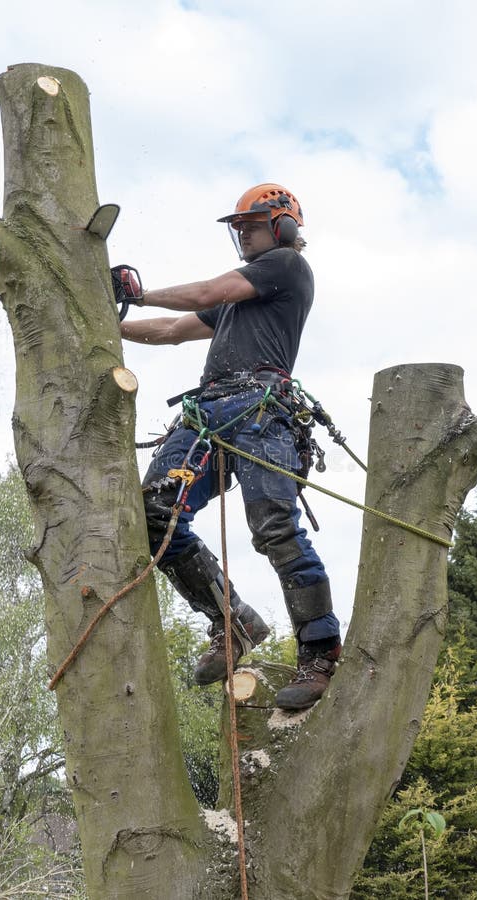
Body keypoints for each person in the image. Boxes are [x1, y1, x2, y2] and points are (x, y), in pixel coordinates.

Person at [119, 183, 341, 710]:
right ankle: (233, 620)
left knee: (274, 528)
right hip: (207, 414)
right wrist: (111, 323)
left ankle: (320, 650)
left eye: (251, 224)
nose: (242, 234)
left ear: (283, 226)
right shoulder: (236, 302)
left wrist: (136, 291)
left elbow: (199, 295)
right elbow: (174, 329)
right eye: (237, 228)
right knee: (152, 514)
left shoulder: (285, 267)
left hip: (262, 410)